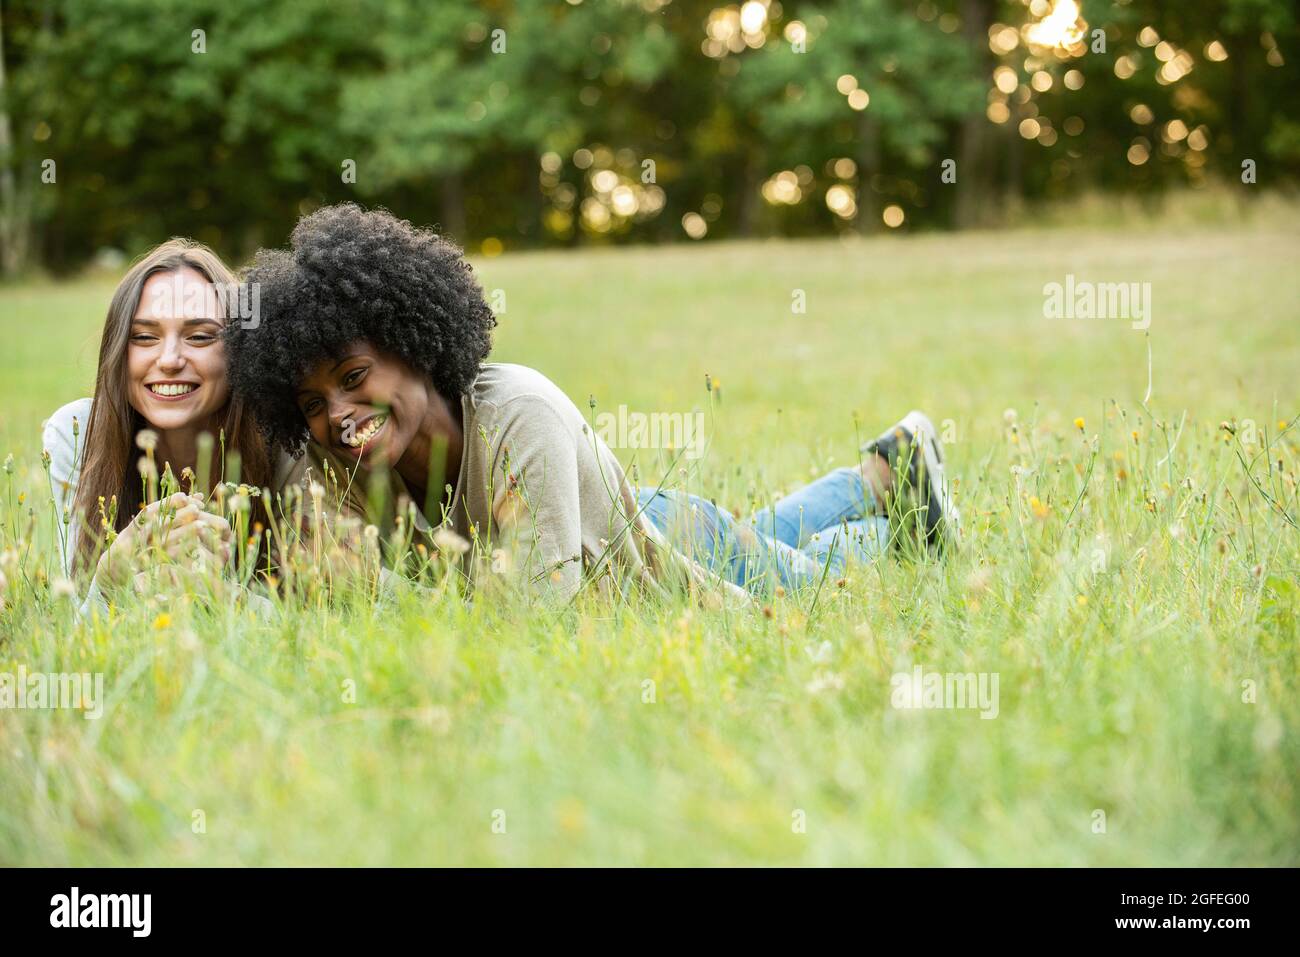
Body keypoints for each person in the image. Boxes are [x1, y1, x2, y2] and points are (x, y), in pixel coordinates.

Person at [225, 203, 959, 605]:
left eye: (354, 374)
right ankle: (882, 476)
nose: (339, 412)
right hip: (626, 516)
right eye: (313, 401)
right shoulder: (338, 459)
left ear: (411, 343)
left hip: (657, 556)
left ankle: (886, 500)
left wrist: (380, 594)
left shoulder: (519, 411)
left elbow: (539, 619)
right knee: (766, 537)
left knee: (833, 584)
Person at [42, 239, 304, 615]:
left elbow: (318, 622)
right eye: (144, 337)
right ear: (118, 350)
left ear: (240, 349)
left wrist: (220, 595)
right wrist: (110, 582)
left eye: (199, 336)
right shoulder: (76, 432)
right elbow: (72, 628)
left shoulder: (284, 437)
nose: (168, 360)